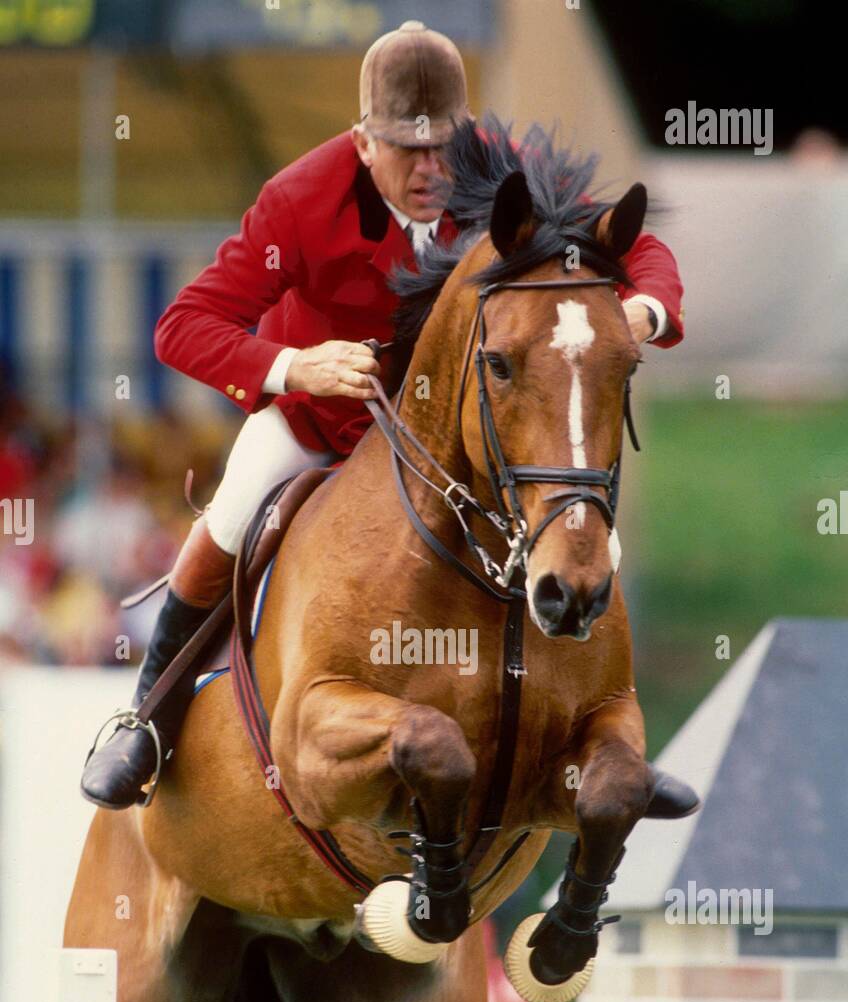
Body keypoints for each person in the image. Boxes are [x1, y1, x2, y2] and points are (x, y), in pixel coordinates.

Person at [80, 19, 685, 811]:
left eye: (444, 147)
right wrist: (296, 365)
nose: (432, 169)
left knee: (580, 528)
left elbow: (634, 247)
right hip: (325, 426)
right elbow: (183, 327)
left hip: (465, 449)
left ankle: (611, 740)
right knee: (227, 518)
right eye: (407, 149)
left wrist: (647, 309)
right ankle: (148, 719)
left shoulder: (509, 175)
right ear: (364, 142)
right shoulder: (301, 199)